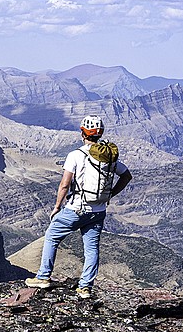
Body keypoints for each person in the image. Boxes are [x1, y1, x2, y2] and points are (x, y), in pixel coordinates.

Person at [25, 115, 132, 299]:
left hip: (76, 209)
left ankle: (43, 277)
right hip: (98, 212)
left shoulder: (75, 155)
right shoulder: (109, 157)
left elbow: (64, 185)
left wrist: (57, 207)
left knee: (51, 236)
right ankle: (85, 288)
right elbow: (126, 176)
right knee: (91, 249)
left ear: (83, 133)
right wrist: (110, 195)